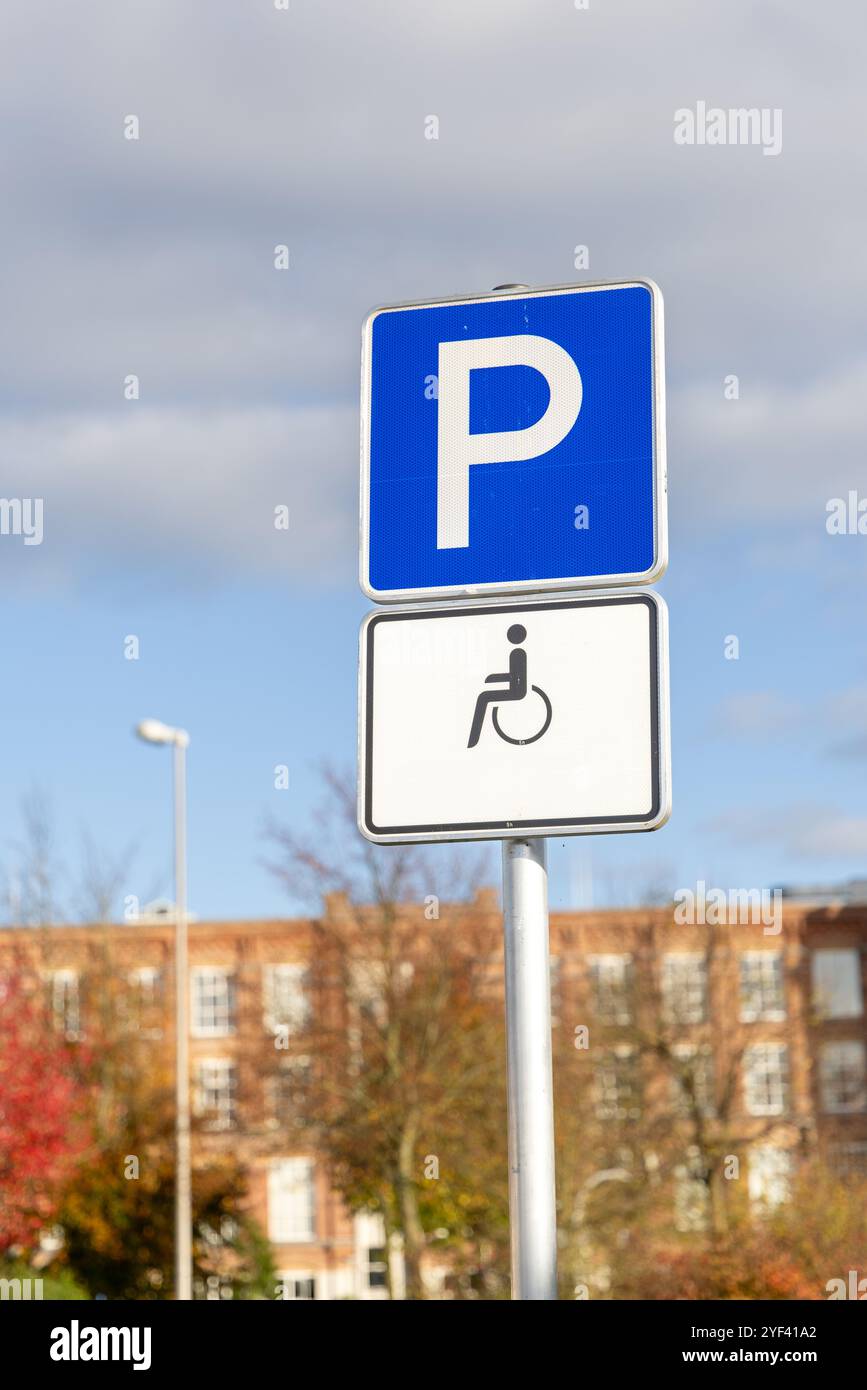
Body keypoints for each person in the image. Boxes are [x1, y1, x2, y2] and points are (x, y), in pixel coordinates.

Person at [467, 624, 528, 748]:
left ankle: (473, 740)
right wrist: (493, 678)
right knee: (484, 697)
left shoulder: (518, 653)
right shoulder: (516, 653)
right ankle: (473, 740)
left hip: (518, 691)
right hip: (515, 688)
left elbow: (517, 676)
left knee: (484, 697)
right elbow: (513, 675)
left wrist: (494, 678)